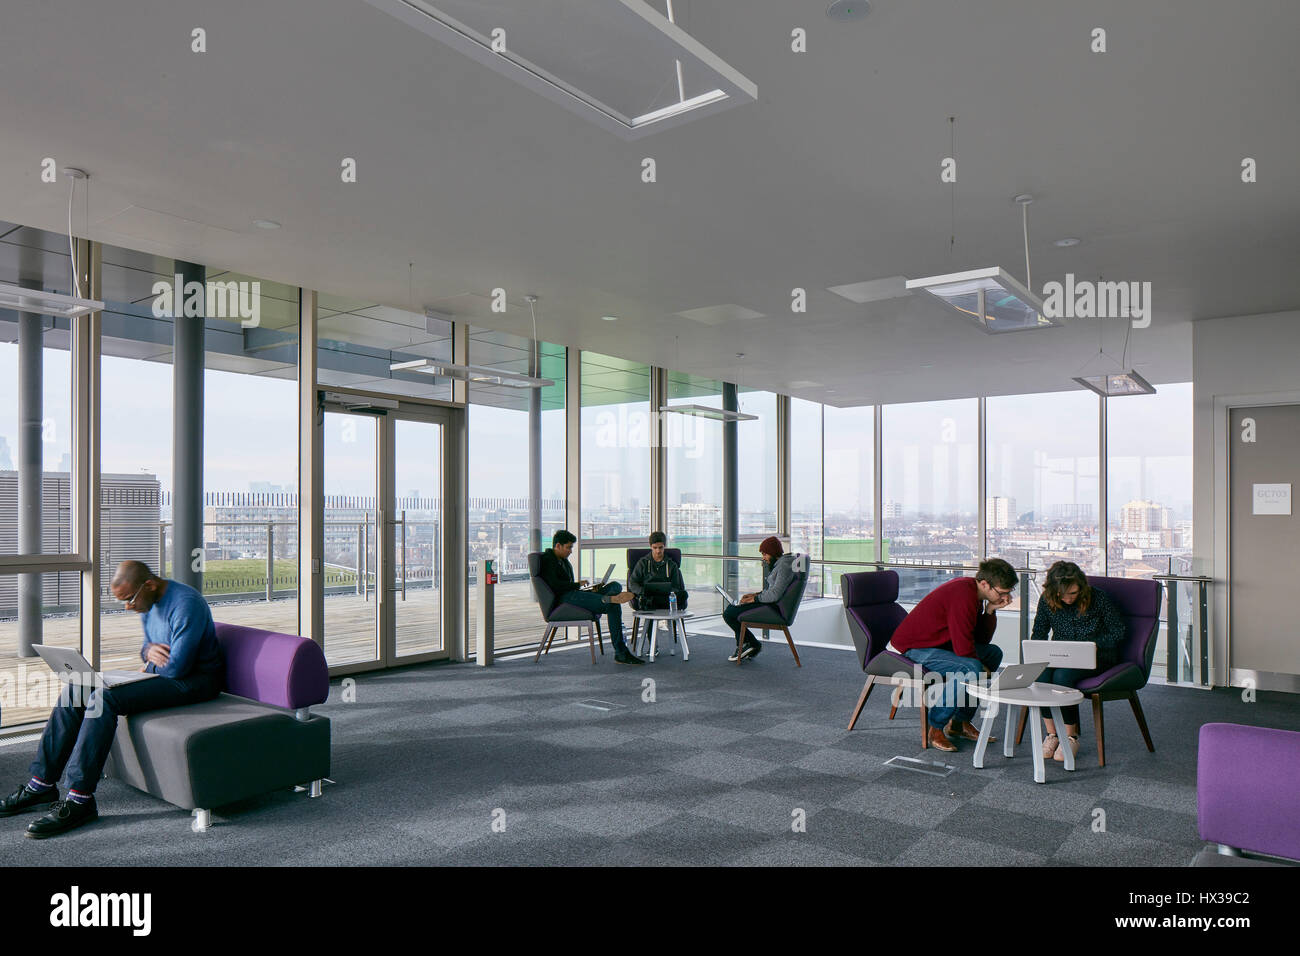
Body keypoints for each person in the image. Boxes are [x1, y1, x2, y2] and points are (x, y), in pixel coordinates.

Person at [0, 560, 225, 838]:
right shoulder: (148, 601)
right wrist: (148, 653)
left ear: (150, 584)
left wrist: (149, 664)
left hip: (195, 682)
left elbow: (177, 667)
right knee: (77, 687)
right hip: (166, 676)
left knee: (104, 700)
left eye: (129, 600)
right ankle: (41, 785)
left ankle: (80, 799)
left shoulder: (186, 604)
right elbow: (148, 647)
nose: (127, 607)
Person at [888, 558, 1017, 752]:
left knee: (992, 654)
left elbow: (981, 640)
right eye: (1002, 592)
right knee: (970, 667)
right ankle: (936, 727)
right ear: (984, 584)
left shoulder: (976, 596)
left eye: (1008, 593)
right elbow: (963, 648)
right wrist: (981, 668)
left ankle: (960, 723)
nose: (1005, 597)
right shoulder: (962, 595)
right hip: (915, 649)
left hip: (940, 645)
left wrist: (990, 610)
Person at [1030, 561, 1126, 763]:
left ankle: (1070, 737)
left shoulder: (1098, 598)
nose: (1067, 599)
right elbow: (1039, 632)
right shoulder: (1048, 600)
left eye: (1073, 593)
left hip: (1097, 657)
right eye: (1062, 594)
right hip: (1060, 655)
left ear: (1081, 587)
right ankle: (1052, 735)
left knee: (1063, 676)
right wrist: (1036, 653)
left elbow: (1118, 631)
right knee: (1042, 675)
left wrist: (1092, 645)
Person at [539, 530, 642, 665]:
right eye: (568, 547)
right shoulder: (548, 560)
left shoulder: (563, 561)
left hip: (575, 594)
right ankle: (621, 652)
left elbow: (566, 584)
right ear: (558, 545)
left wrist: (589, 589)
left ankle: (608, 597)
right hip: (566, 599)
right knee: (613, 607)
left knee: (615, 585)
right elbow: (555, 586)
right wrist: (576, 585)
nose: (571, 551)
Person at [722, 535, 796, 662]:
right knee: (734, 609)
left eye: (765, 554)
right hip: (771, 604)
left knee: (729, 613)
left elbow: (775, 594)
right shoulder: (783, 563)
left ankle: (750, 645)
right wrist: (755, 595)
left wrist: (755, 600)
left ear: (773, 552)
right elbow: (774, 590)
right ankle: (748, 645)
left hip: (772, 607)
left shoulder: (783, 566)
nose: (764, 558)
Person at [628, 531, 688, 612]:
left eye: (660, 547)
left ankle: (650, 604)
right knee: (646, 598)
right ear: (650, 546)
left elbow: (676, 586)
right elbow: (632, 583)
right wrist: (643, 591)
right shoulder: (643, 563)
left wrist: (670, 591)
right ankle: (650, 602)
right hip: (648, 595)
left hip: (666, 596)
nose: (658, 551)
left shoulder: (672, 565)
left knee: (683, 594)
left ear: (664, 546)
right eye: (655, 547)